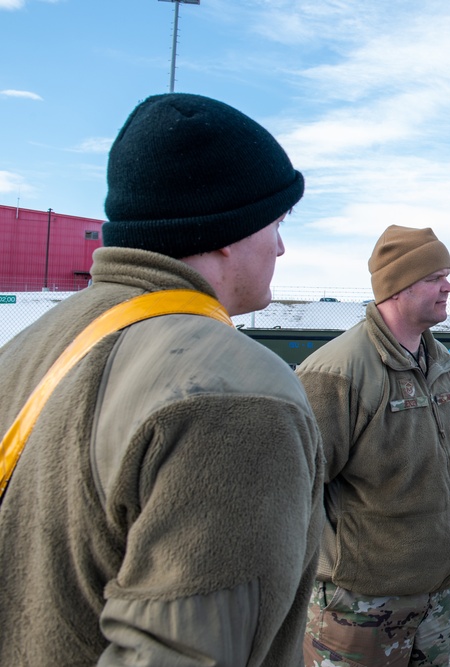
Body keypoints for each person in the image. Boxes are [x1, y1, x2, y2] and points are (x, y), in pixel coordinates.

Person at [0, 93, 325, 665]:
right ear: (224, 226)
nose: (280, 246)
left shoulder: (32, 345)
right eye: (276, 222)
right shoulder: (233, 393)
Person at [296, 225, 450, 667]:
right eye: (435, 277)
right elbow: (293, 489)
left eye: (447, 275)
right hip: (357, 611)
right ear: (398, 286)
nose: (448, 287)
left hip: (433, 600)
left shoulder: (440, 363)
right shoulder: (338, 373)